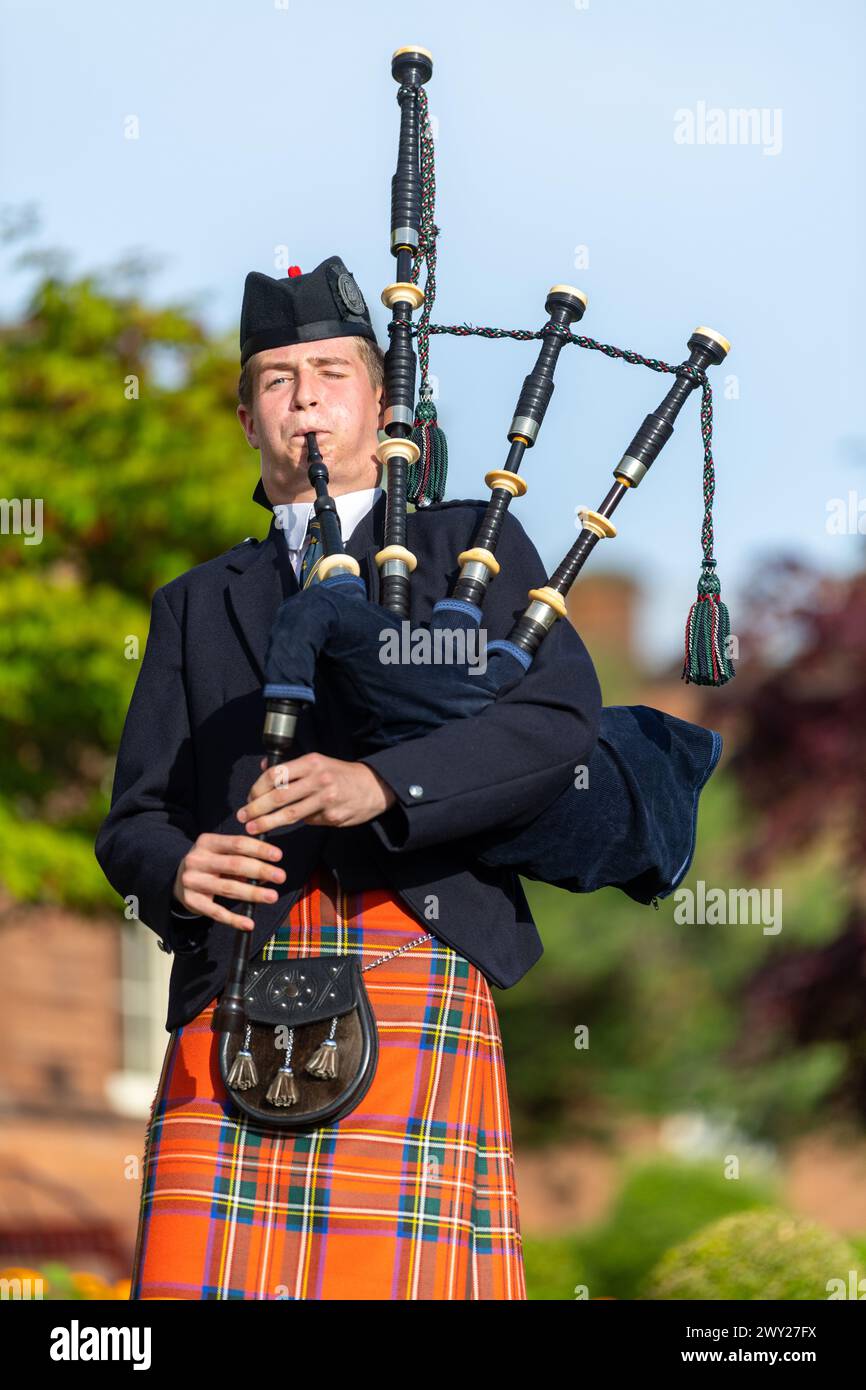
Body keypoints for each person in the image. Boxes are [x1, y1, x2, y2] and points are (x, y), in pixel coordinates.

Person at [95, 253, 602, 1301]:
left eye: (331, 372)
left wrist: (384, 786)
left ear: (379, 400)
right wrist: (177, 868)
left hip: (414, 951)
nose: (306, 398)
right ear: (248, 419)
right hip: (238, 978)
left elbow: (554, 725)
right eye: (278, 380)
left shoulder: (473, 542)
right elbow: (134, 816)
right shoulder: (196, 602)